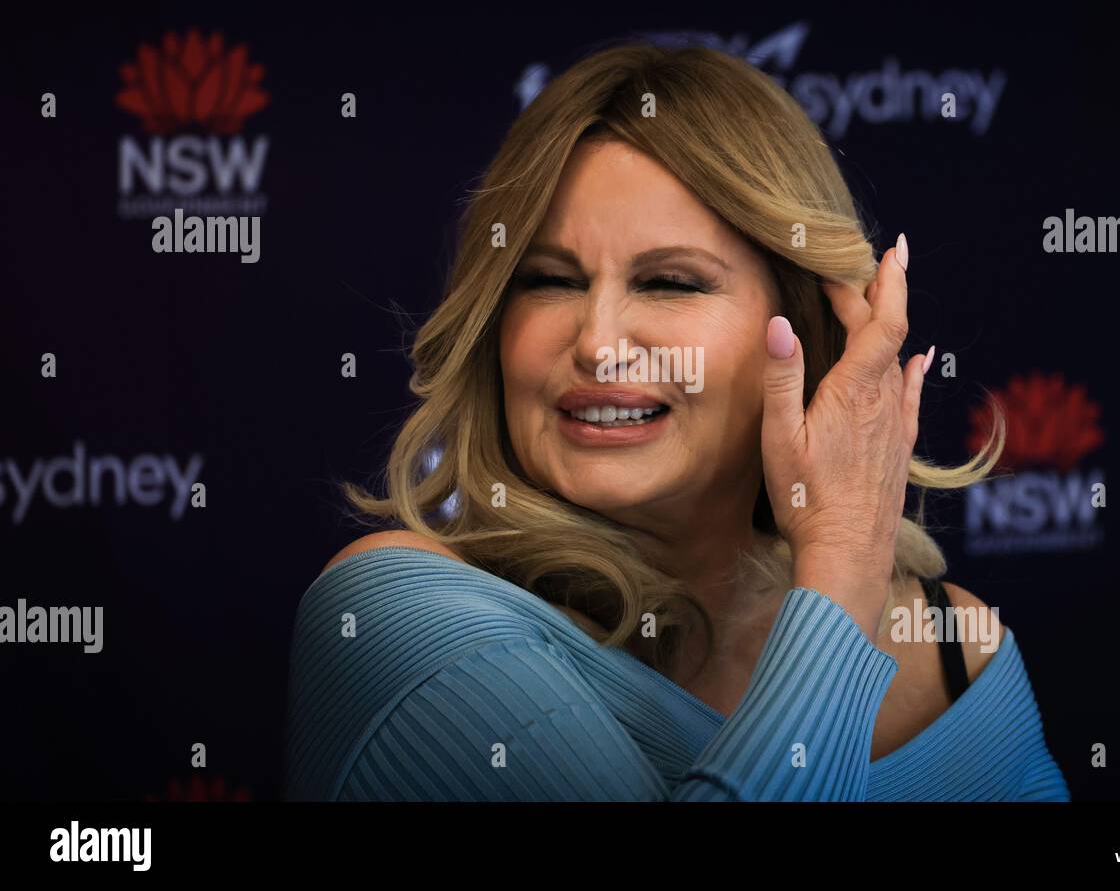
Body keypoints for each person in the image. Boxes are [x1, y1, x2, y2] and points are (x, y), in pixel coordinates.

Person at [283, 42, 1070, 801]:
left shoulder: (955, 647)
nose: (597, 344)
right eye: (550, 281)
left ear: (805, 323)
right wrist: (840, 571)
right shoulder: (393, 615)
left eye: (670, 282)